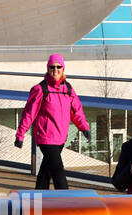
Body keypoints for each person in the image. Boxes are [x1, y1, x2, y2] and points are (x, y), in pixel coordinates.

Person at [13, 54, 90, 190]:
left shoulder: (68, 89)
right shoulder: (40, 89)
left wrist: (84, 128)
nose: (55, 69)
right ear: (48, 68)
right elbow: (29, 114)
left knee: (45, 172)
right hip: (46, 137)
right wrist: (20, 135)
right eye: (52, 67)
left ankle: (38, 201)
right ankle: (66, 204)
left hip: (60, 137)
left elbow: (76, 111)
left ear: (63, 69)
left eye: (58, 66)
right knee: (58, 172)